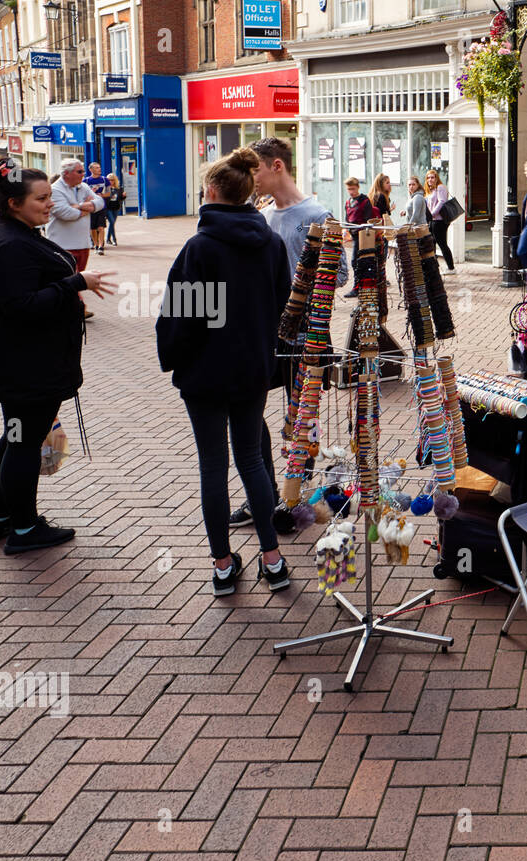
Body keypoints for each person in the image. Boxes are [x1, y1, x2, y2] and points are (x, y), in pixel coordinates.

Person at [155, 148, 292, 596]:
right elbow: (281, 307)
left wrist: (175, 356)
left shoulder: (202, 247)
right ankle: (272, 560)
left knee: (213, 466)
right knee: (251, 459)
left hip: (207, 373)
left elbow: (183, 318)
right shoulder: (269, 242)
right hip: (252, 368)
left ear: (211, 191)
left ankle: (222, 565)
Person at [0, 162, 115, 554]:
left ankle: (1, 519)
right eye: (42, 198)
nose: (50, 204)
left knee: (15, 436)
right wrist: (75, 282)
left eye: (50, 196)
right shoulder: (10, 244)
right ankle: (23, 528)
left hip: (20, 364)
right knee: (22, 442)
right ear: (15, 203)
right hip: (26, 368)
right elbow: (20, 306)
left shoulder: (8, 232)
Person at [248, 136, 345, 534]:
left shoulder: (317, 214)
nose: (250, 179)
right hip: (262, 332)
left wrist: (299, 288)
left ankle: (294, 497)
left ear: (276, 166)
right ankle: (264, 496)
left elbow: (340, 275)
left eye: (254, 169)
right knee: (250, 415)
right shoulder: (262, 215)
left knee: (301, 418)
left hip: (304, 336)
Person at [48, 159, 104, 301]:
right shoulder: (55, 190)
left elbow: (100, 202)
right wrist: (87, 207)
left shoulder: (83, 186)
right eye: (80, 171)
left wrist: (77, 206)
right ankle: (77, 308)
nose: (83, 174)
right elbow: (66, 214)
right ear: (67, 173)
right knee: (67, 280)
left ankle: (78, 307)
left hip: (82, 244)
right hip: (63, 246)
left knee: (78, 279)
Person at [342, 176, 376, 299]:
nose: (351, 191)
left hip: (362, 236)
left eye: (353, 188)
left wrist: (356, 229)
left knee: (356, 261)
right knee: (357, 261)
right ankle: (360, 285)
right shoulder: (348, 202)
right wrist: (347, 230)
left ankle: (358, 287)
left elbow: (367, 220)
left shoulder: (364, 201)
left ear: (358, 187)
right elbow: (347, 219)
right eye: (349, 189)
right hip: (354, 235)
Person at [424, 169, 456, 273]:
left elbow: (442, 201)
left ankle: (451, 268)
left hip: (439, 221)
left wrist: (432, 213)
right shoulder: (431, 190)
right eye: (428, 178)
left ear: (437, 178)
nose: (430, 179)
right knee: (431, 243)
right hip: (433, 221)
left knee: (442, 244)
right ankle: (434, 267)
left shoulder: (440, 187)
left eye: (432, 177)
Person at [83, 161, 109, 255]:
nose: (99, 169)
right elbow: (82, 195)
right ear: (91, 170)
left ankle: (101, 246)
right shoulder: (85, 181)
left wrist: (102, 194)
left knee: (101, 227)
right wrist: (91, 192)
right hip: (90, 207)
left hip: (101, 206)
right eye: (97, 167)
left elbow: (109, 193)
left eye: (99, 167)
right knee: (93, 228)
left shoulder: (105, 179)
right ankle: (96, 244)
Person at [103, 173, 124, 247]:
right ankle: (114, 240)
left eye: (112, 180)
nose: (110, 181)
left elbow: (120, 199)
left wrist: (124, 196)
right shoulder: (105, 188)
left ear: (115, 181)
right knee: (112, 222)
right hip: (108, 208)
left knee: (112, 224)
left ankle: (108, 239)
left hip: (116, 208)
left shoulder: (119, 188)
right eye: (108, 180)